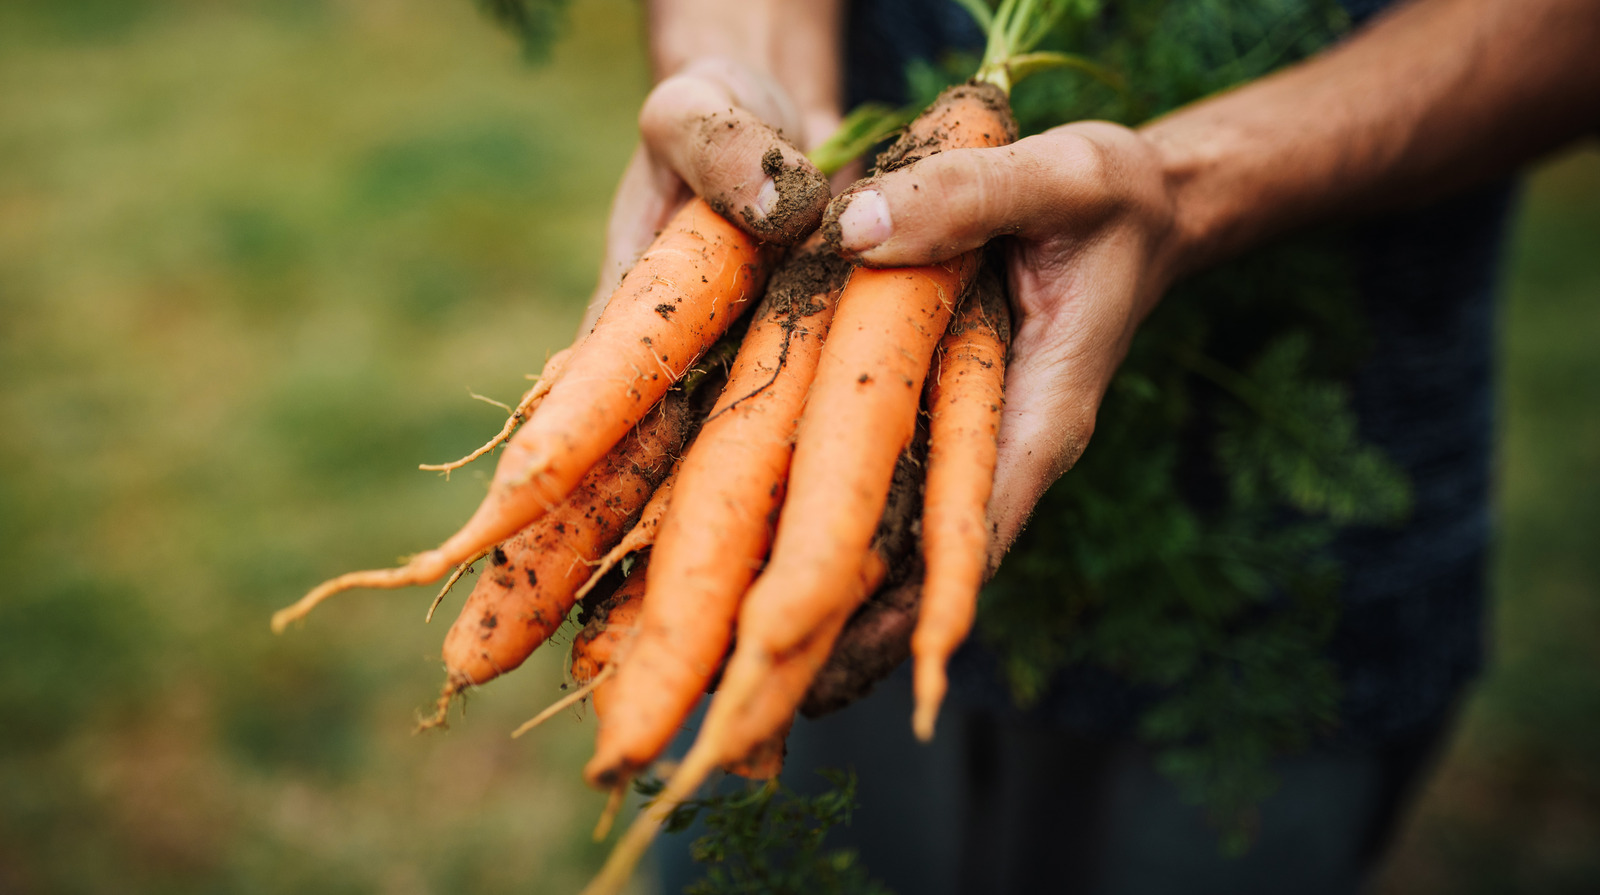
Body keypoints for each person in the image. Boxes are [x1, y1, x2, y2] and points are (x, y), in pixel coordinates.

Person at [576, 1, 1600, 892]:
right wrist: (744, 82)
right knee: (769, 719)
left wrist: (1180, 186)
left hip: (1269, 573)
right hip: (805, 505)